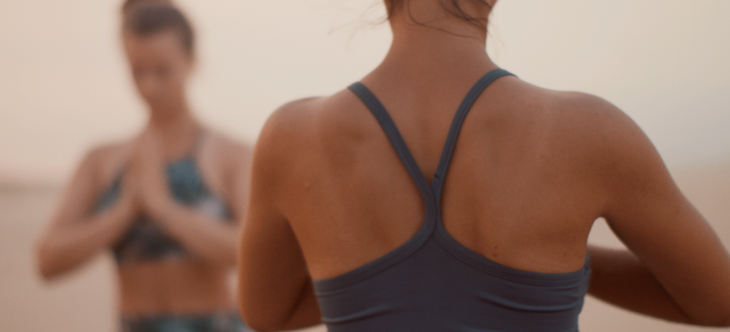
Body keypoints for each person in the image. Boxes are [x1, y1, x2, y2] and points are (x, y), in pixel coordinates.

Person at [237, 0, 730, 331]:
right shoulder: (590, 131)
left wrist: (364, 279)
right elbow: (717, 299)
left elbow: (265, 311)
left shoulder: (292, 138)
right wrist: (562, 262)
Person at [35, 2, 252, 332]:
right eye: (137, 71)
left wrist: (165, 210)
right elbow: (47, 259)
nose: (149, 86)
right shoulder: (102, 160)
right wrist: (124, 212)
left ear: (191, 62)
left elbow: (254, 253)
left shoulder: (230, 155)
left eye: (163, 71)